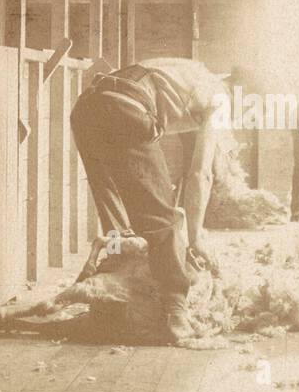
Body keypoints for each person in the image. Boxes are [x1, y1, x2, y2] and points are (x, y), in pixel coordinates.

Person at [70, 57, 223, 343]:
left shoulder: (183, 70)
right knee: (160, 218)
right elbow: (201, 174)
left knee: (112, 201)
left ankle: (111, 293)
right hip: (125, 108)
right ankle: (176, 312)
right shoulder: (220, 98)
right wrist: (196, 237)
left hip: (86, 108)